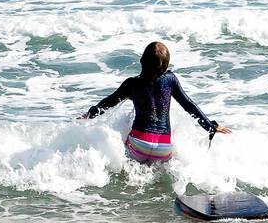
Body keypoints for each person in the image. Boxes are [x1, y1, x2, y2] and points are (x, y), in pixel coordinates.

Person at [83, 41, 229, 163]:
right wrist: (210, 126)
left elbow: (109, 102)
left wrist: (91, 113)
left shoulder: (132, 84)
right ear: (166, 67)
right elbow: (188, 105)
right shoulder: (170, 80)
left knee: (125, 154)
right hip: (164, 147)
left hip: (139, 144)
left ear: (141, 61)